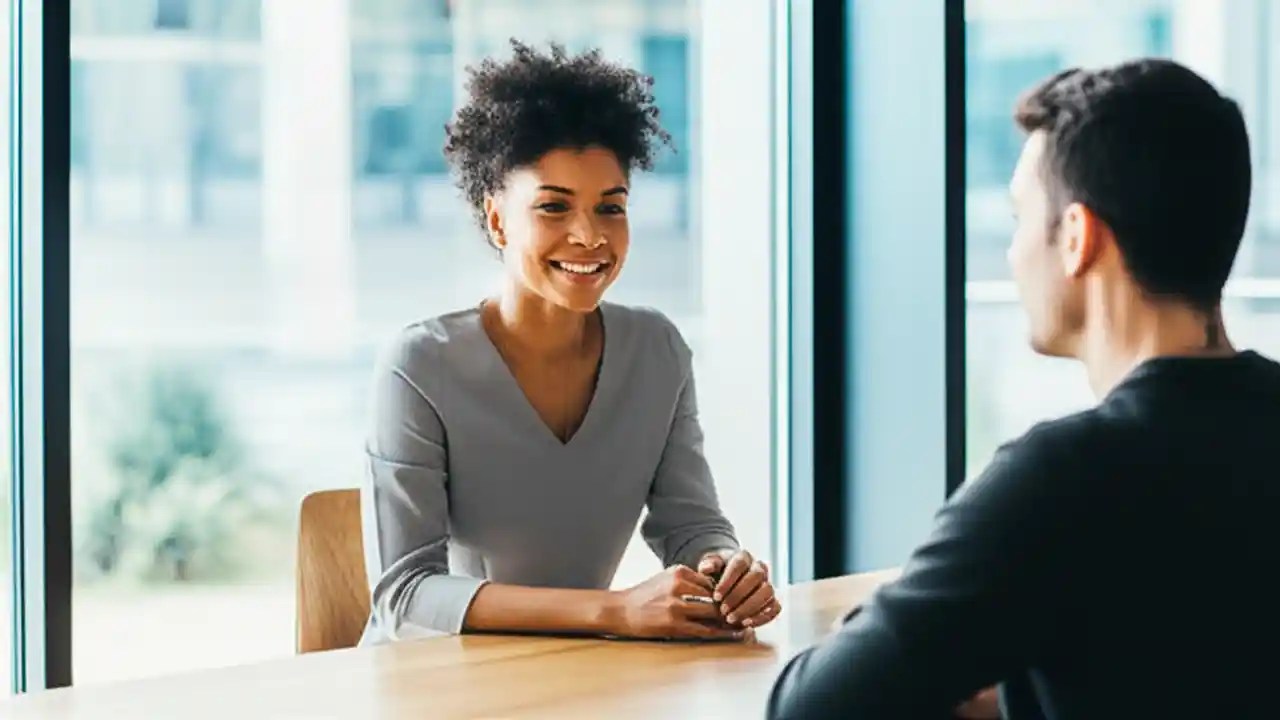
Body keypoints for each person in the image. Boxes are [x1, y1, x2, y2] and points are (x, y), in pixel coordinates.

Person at [768, 58, 1280, 719]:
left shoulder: (1065, 478)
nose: (1012, 254)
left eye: (1018, 217)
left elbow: (812, 708)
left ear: (1076, 238)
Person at [359, 41, 780, 645]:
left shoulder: (657, 350)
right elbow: (405, 594)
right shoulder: (420, 364)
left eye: (611, 208)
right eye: (553, 207)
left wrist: (723, 568)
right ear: (498, 219)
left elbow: (690, 523)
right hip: (427, 686)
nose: (589, 235)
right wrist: (613, 612)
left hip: (575, 676)